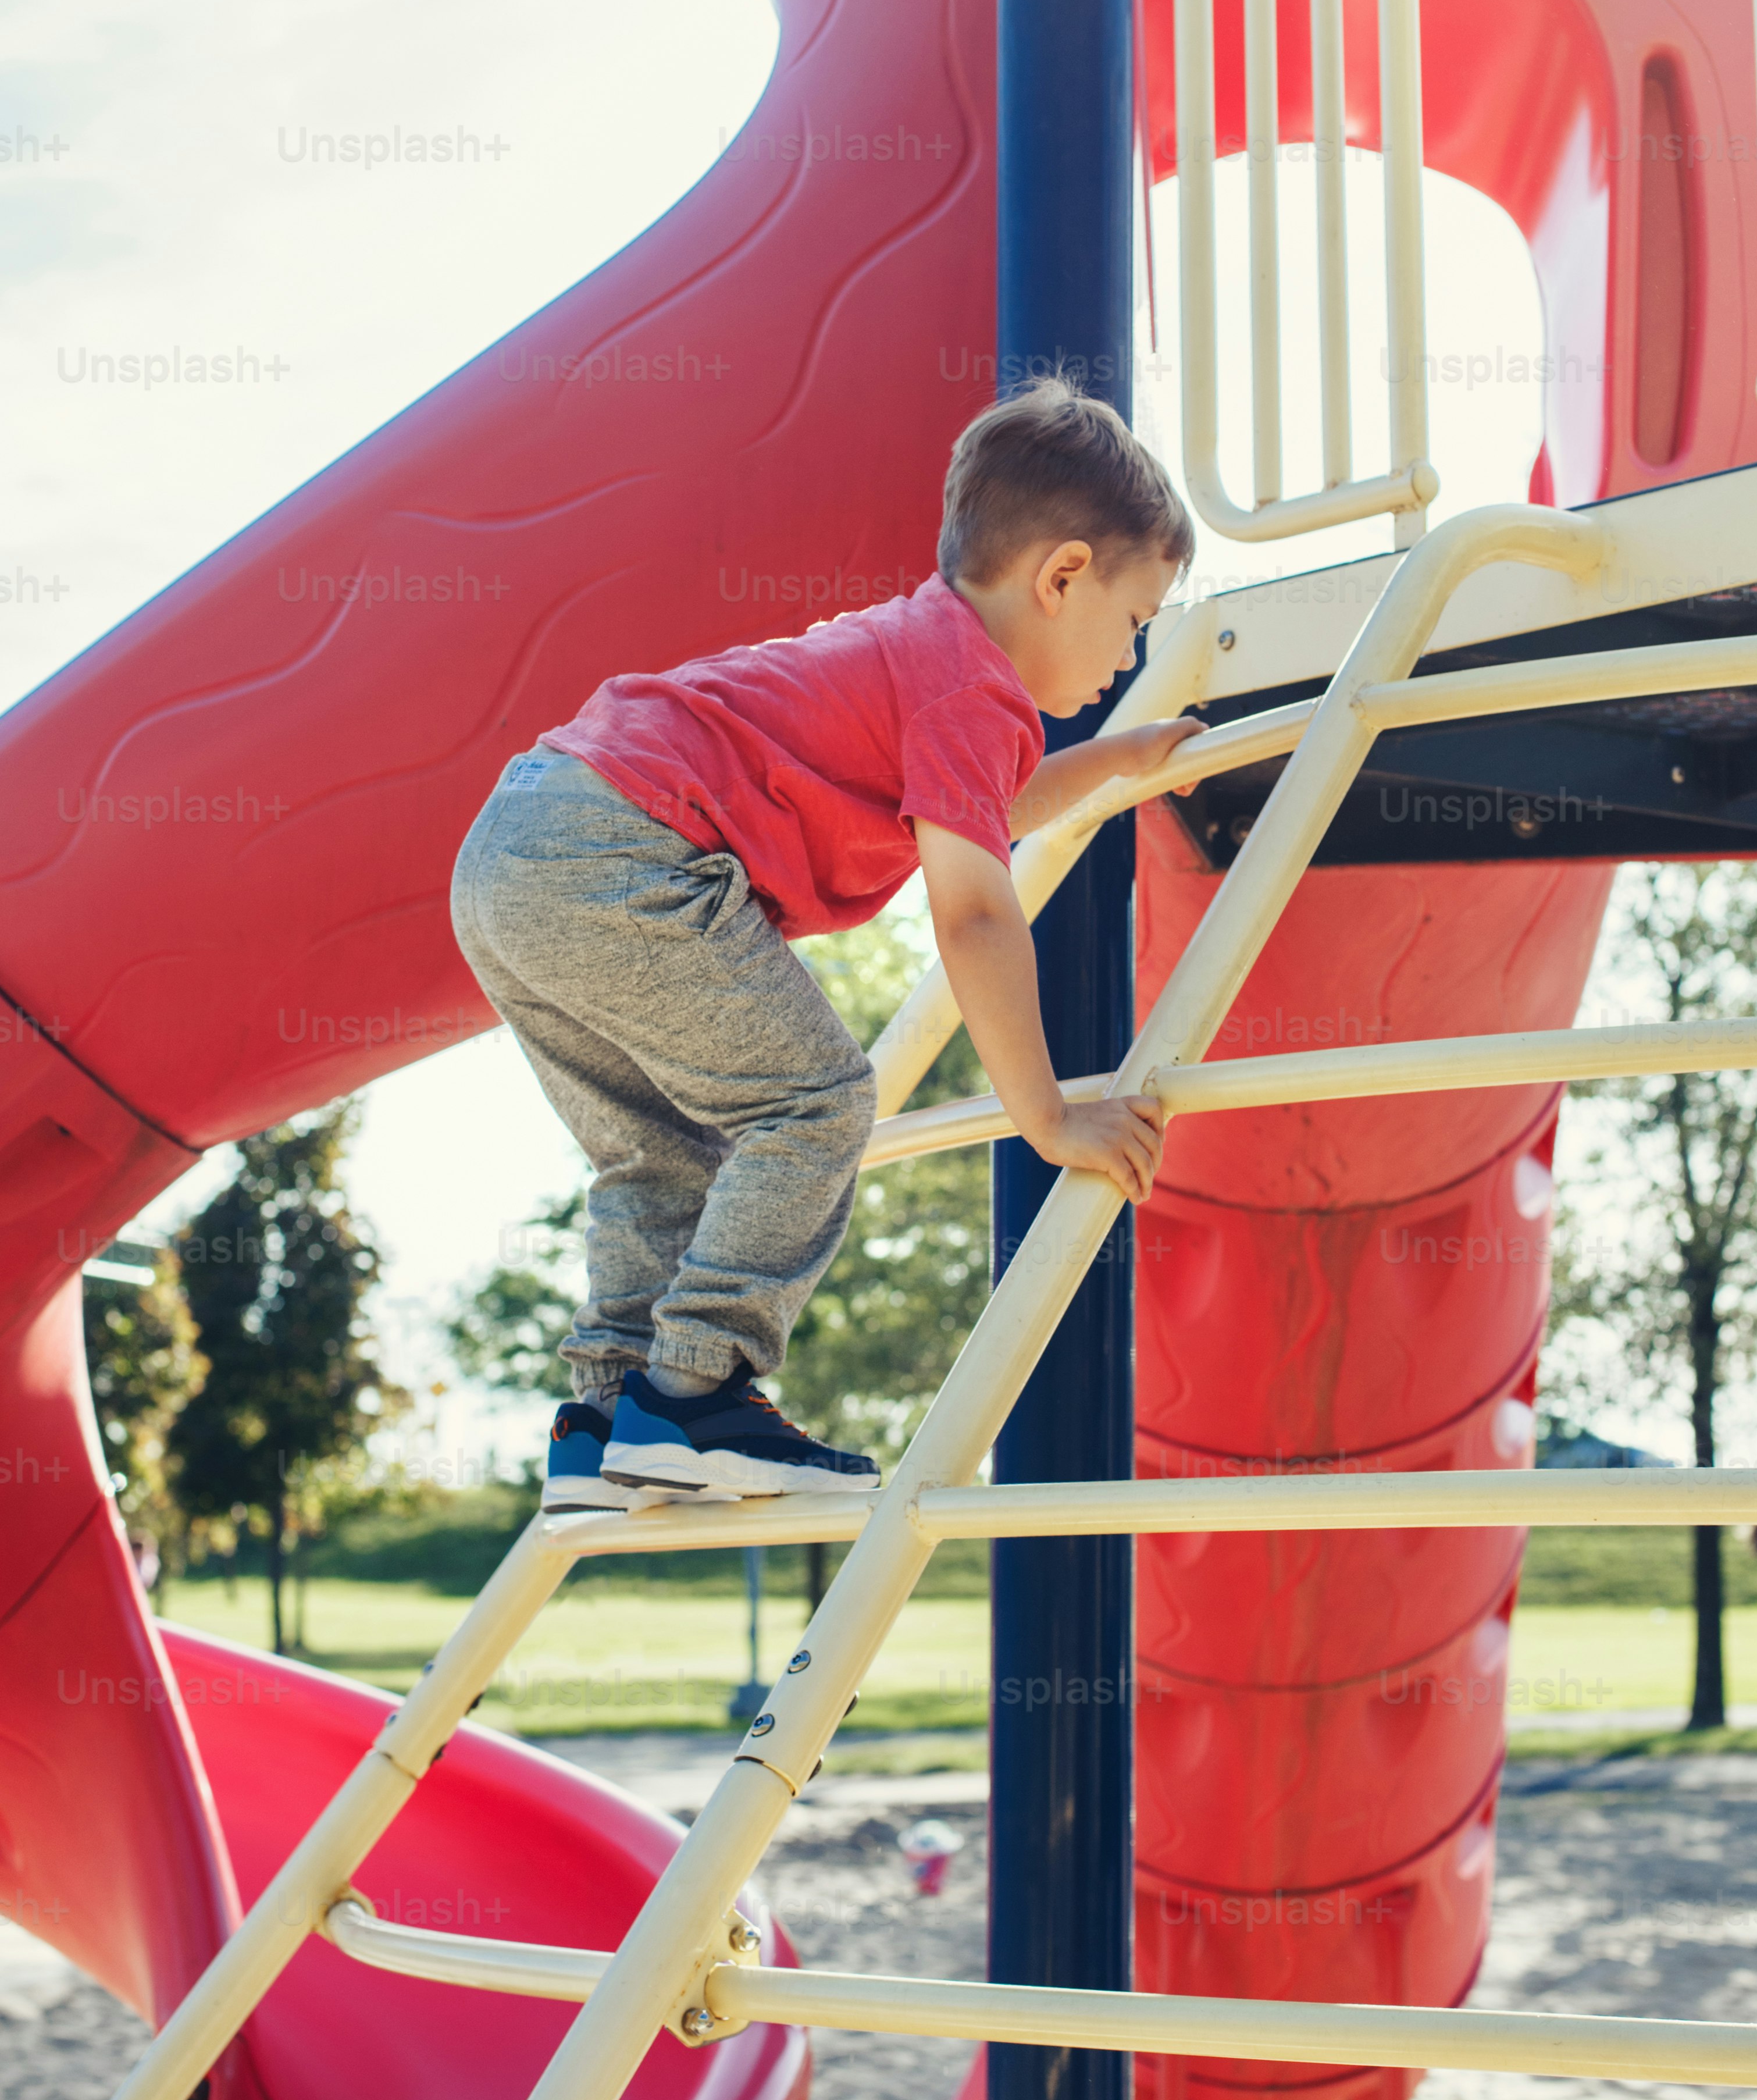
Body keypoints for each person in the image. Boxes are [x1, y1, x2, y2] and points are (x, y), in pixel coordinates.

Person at [450, 381, 1204, 1508]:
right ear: (1060, 577)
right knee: (814, 1102)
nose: (1127, 653)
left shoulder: (923, 658)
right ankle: (701, 1392)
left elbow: (978, 808)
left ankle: (606, 1419)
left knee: (655, 1152)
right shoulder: (969, 689)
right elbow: (976, 908)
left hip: (519, 850)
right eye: (1133, 619)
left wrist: (1113, 761)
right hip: (624, 846)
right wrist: (1043, 1114)